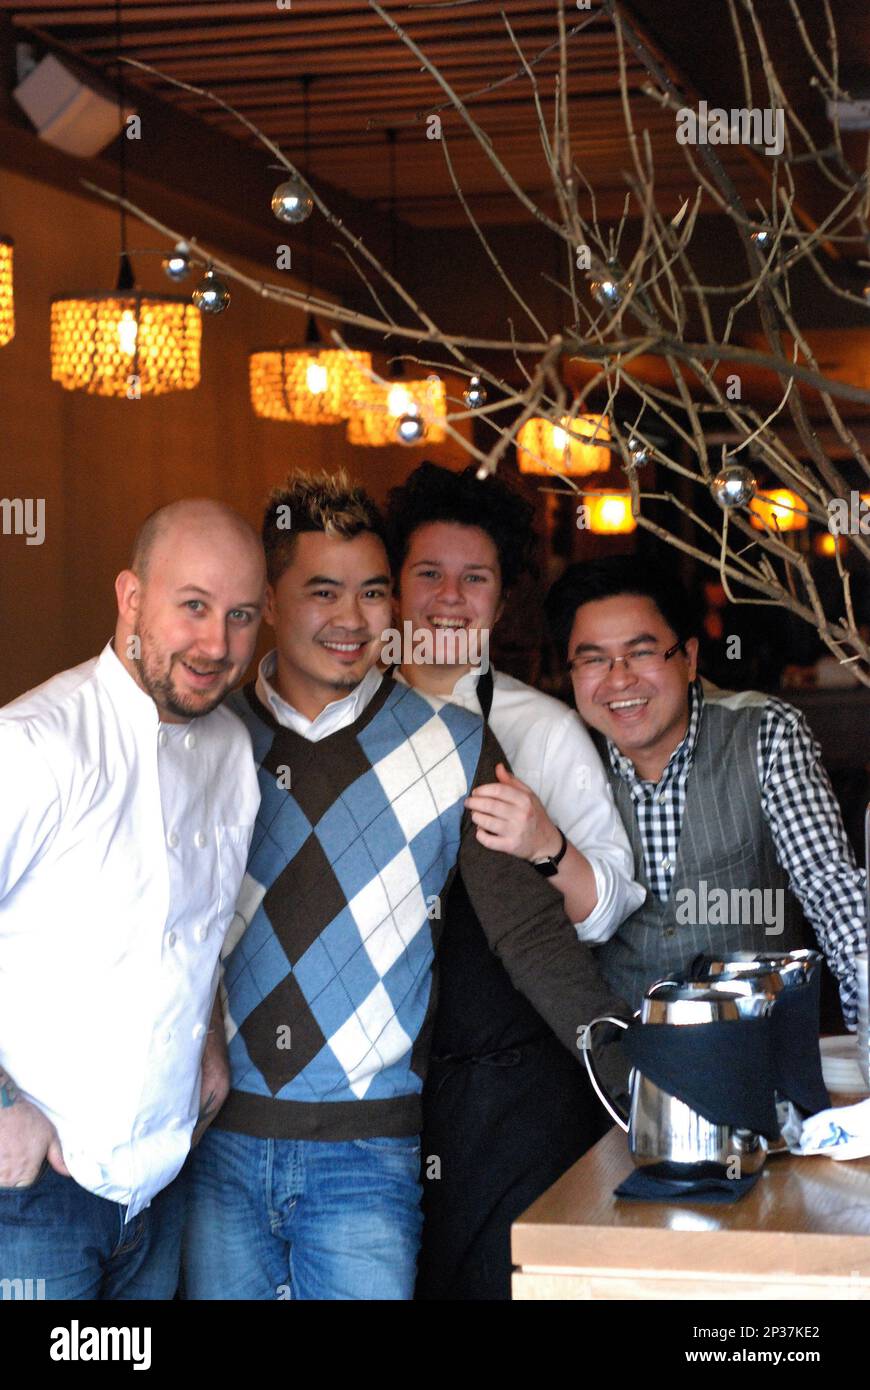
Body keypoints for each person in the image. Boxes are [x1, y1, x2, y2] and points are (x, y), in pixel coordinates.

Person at [182, 470, 628, 1302]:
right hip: (217, 1144)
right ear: (271, 601)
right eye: (324, 591)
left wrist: (636, 1071)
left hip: (369, 1156)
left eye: (374, 593)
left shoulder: (456, 742)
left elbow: (528, 933)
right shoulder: (210, 739)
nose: (352, 621)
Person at [384, 461, 643, 1301]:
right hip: (384, 1088)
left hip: (515, 1087)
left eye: (475, 578)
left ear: (501, 599)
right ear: (392, 589)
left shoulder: (543, 728)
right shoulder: (345, 724)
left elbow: (605, 910)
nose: (449, 597)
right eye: (428, 574)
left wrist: (543, 842)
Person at [0, 499, 265, 1300]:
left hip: (160, 1186)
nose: (217, 645)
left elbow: (196, 930)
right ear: (130, 599)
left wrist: (210, 1039)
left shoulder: (231, 750)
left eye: (242, 616)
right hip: (31, 1192)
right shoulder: (34, 744)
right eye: (193, 606)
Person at [545, 554, 867, 1021]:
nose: (619, 679)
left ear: (689, 658)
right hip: (616, 1059)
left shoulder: (765, 734)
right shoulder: (560, 754)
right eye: (593, 659)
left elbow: (832, 892)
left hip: (758, 1049)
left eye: (641, 652)